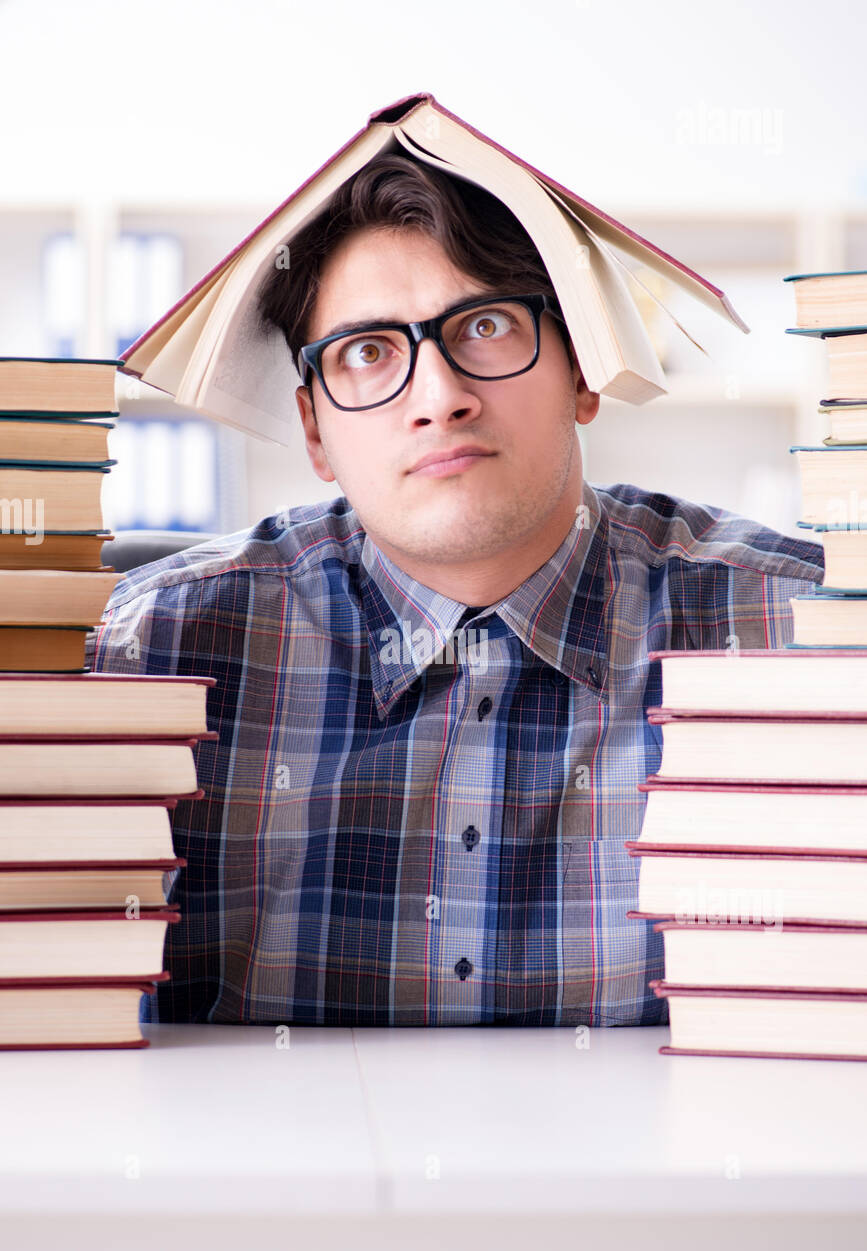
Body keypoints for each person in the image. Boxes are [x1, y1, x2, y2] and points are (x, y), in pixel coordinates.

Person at [86, 151, 823, 1027]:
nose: (438, 398)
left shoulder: (798, 633)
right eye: (367, 352)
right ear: (315, 432)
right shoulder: (150, 650)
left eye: (484, 328)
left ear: (583, 370)